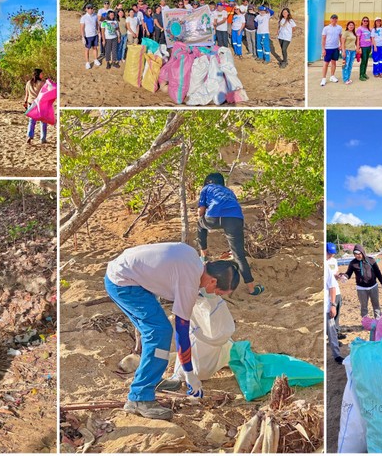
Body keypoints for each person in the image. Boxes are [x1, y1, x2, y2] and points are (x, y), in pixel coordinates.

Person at [104, 242, 239, 419]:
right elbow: (182, 334)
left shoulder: (194, 260)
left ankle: (149, 378)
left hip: (127, 274)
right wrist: (190, 375)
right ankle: (139, 397)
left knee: (153, 332)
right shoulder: (189, 283)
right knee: (160, 332)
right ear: (213, 281)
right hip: (124, 283)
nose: (216, 295)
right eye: (219, 292)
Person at [195, 172, 264, 296]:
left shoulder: (206, 189)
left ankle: (203, 256)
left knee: (200, 225)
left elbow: (201, 211)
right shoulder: (229, 191)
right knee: (239, 256)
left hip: (213, 217)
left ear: (207, 182)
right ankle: (252, 289)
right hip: (234, 218)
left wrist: (202, 218)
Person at [344, 244, 382, 319]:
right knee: (363, 306)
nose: (357, 256)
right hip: (361, 288)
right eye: (355, 254)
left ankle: (378, 321)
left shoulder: (371, 260)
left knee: (376, 305)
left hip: (373, 287)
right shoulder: (353, 263)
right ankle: (365, 322)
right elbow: (348, 274)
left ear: (362, 253)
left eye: (359, 254)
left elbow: (378, 272)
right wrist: (345, 277)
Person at [326, 242, 346, 363]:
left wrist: (332, 304)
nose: (331, 255)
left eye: (333, 253)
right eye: (329, 253)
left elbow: (332, 285)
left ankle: (336, 355)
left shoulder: (332, 262)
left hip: (332, 297)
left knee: (332, 327)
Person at [23, 69, 47, 144]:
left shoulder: (28, 83)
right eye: (41, 74)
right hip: (40, 103)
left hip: (31, 103)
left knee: (32, 121)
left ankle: (30, 136)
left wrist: (25, 102)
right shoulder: (42, 83)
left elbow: (26, 94)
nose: (42, 75)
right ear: (38, 75)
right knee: (43, 121)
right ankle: (43, 138)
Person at [321, 14, 343, 86]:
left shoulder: (339, 28)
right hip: (328, 48)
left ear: (337, 20)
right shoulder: (326, 28)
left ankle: (332, 76)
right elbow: (323, 39)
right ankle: (323, 78)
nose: (334, 20)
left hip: (335, 48)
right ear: (330, 19)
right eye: (333, 19)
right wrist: (323, 49)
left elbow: (340, 37)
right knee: (326, 63)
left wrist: (341, 45)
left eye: (335, 19)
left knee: (334, 62)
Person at [79, 4, 101, 70]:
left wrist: (99, 32)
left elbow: (97, 25)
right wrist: (83, 37)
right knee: (87, 49)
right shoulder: (83, 17)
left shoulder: (95, 16)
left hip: (95, 35)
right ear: (86, 9)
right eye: (89, 8)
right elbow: (82, 28)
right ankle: (87, 63)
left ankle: (95, 59)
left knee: (95, 48)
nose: (90, 9)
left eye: (91, 8)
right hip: (88, 36)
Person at [355, 17, 373, 82]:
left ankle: (364, 73)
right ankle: (361, 75)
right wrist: (358, 47)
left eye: (367, 21)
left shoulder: (369, 29)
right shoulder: (359, 29)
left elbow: (371, 38)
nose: (366, 22)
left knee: (366, 61)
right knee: (363, 61)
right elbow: (358, 39)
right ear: (362, 21)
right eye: (364, 21)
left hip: (368, 47)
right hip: (363, 47)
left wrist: (371, 46)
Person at [341, 21, 357, 85]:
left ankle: (348, 78)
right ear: (347, 26)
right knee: (346, 65)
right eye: (350, 25)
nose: (351, 26)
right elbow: (342, 43)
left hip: (353, 51)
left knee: (350, 65)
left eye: (352, 25)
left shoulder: (353, 33)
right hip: (347, 51)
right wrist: (343, 51)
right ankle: (345, 79)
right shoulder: (345, 33)